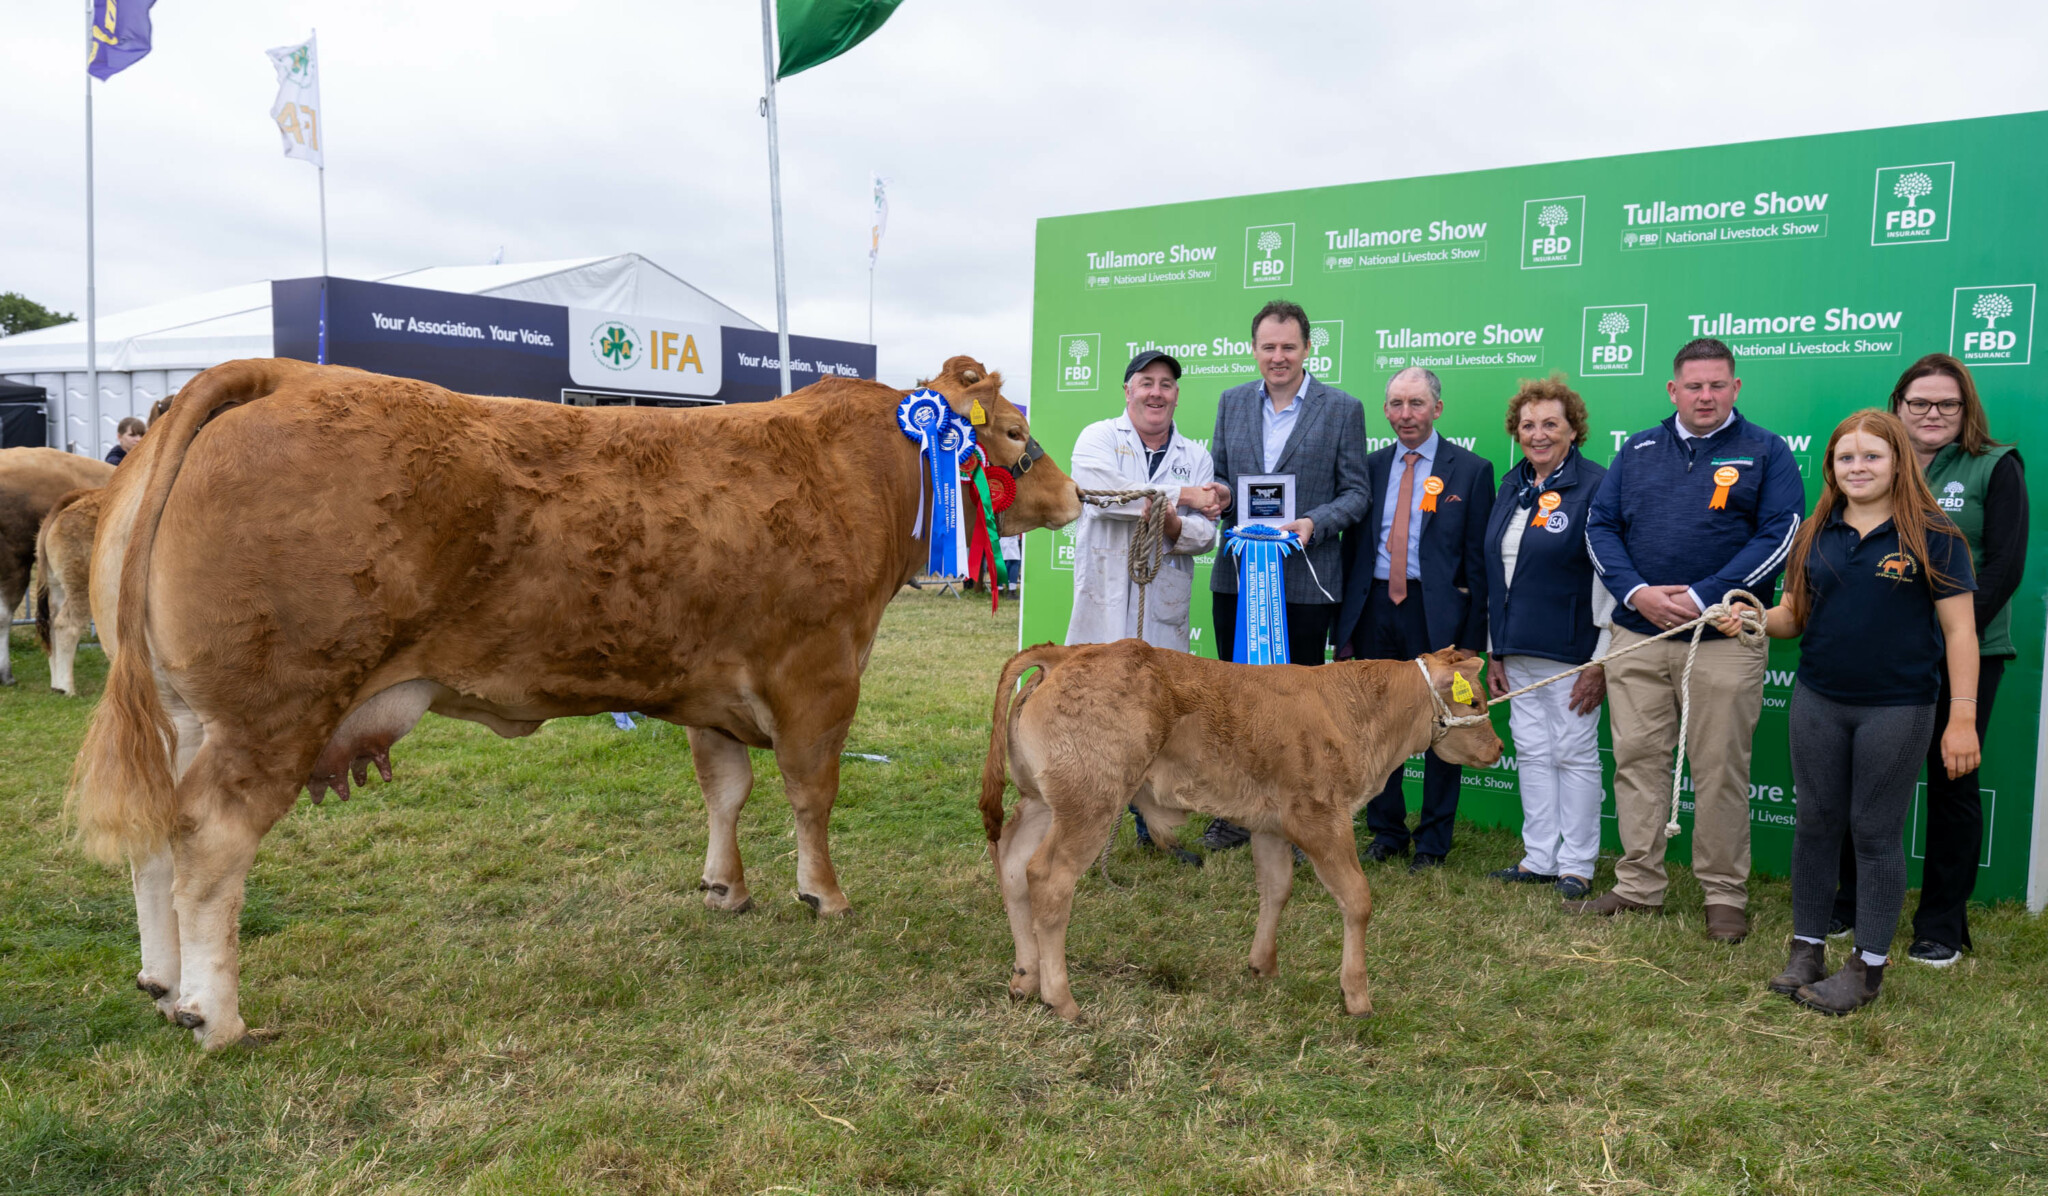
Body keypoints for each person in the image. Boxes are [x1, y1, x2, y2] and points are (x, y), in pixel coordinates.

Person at [1727, 409, 1978, 1015]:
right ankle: (1806, 948)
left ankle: (1867, 967)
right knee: (1814, 823)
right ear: (1831, 467)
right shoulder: (1815, 530)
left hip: (1897, 708)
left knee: (1873, 832)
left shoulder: (1935, 534)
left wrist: (1962, 716)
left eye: (1871, 456)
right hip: (1818, 700)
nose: (1858, 467)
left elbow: (1961, 633)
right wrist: (1756, 619)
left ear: (1897, 462)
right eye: (1846, 457)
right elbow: (1793, 614)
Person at [1575, 338, 1804, 942]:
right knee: (1637, 762)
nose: (1705, 395)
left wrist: (1705, 596)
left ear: (1735, 388)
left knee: (1719, 769)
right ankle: (1638, 885)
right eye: (1693, 386)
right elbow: (1600, 527)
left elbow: (1780, 535)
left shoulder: (1768, 451)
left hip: (1724, 638)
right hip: (1639, 634)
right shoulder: (1639, 449)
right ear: (1672, 391)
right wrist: (1637, 593)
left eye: (1717, 385)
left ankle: (1724, 895)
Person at [1829, 354, 2028, 966]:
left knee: (1952, 784)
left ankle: (1942, 922)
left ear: (1966, 409)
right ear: (1898, 406)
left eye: (1947, 403)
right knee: (1865, 783)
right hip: (1880, 657)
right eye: (1919, 402)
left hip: (1963, 653)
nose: (1932, 413)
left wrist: (1943, 634)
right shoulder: (1868, 463)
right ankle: (1850, 904)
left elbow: (2004, 566)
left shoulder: (1995, 466)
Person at [1203, 300, 1372, 850]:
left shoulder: (1343, 408)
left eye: (1289, 347)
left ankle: (1300, 817)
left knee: (1301, 709)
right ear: (1254, 349)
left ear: (1307, 349)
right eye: (1268, 347)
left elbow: (1357, 493)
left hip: (1306, 580)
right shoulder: (1230, 404)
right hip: (1237, 578)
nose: (1278, 357)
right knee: (1235, 699)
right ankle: (1236, 811)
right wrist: (1221, 496)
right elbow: (1222, 478)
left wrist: (1311, 524)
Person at [1334, 366, 1495, 871]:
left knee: (1443, 726)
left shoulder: (1471, 470)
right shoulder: (1368, 467)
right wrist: (1346, 630)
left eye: (1417, 403)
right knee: (1378, 727)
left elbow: (1479, 561)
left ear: (1437, 409)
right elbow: (1351, 552)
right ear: (1385, 411)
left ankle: (1431, 843)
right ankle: (1385, 833)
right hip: (1375, 609)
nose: (1406, 414)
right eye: (1397, 404)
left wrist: (1471, 640)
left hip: (1436, 613)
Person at [1480, 375, 1611, 899]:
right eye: (1527, 425)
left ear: (1573, 430)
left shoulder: (1598, 487)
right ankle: (1539, 859)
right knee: (1531, 751)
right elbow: (1497, 574)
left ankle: (1577, 865)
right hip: (1515, 650)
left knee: (1573, 753)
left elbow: (1610, 580)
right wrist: (1494, 649)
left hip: (1573, 651)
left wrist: (1601, 659)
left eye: (1550, 424)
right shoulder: (1511, 486)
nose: (1537, 434)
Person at [1066, 350, 1220, 651]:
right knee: (1097, 687)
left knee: (1157, 692)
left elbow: (1207, 535)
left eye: (1166, 384)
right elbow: (1101, 493)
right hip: (1103, 594)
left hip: (1164, 608)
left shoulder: (1196, 456)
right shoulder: (1098, 436)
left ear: (1177, 395)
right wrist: (1185, 495)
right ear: (1128, 391)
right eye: (1146, 383)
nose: (1156, 393)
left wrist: (1175, 526)